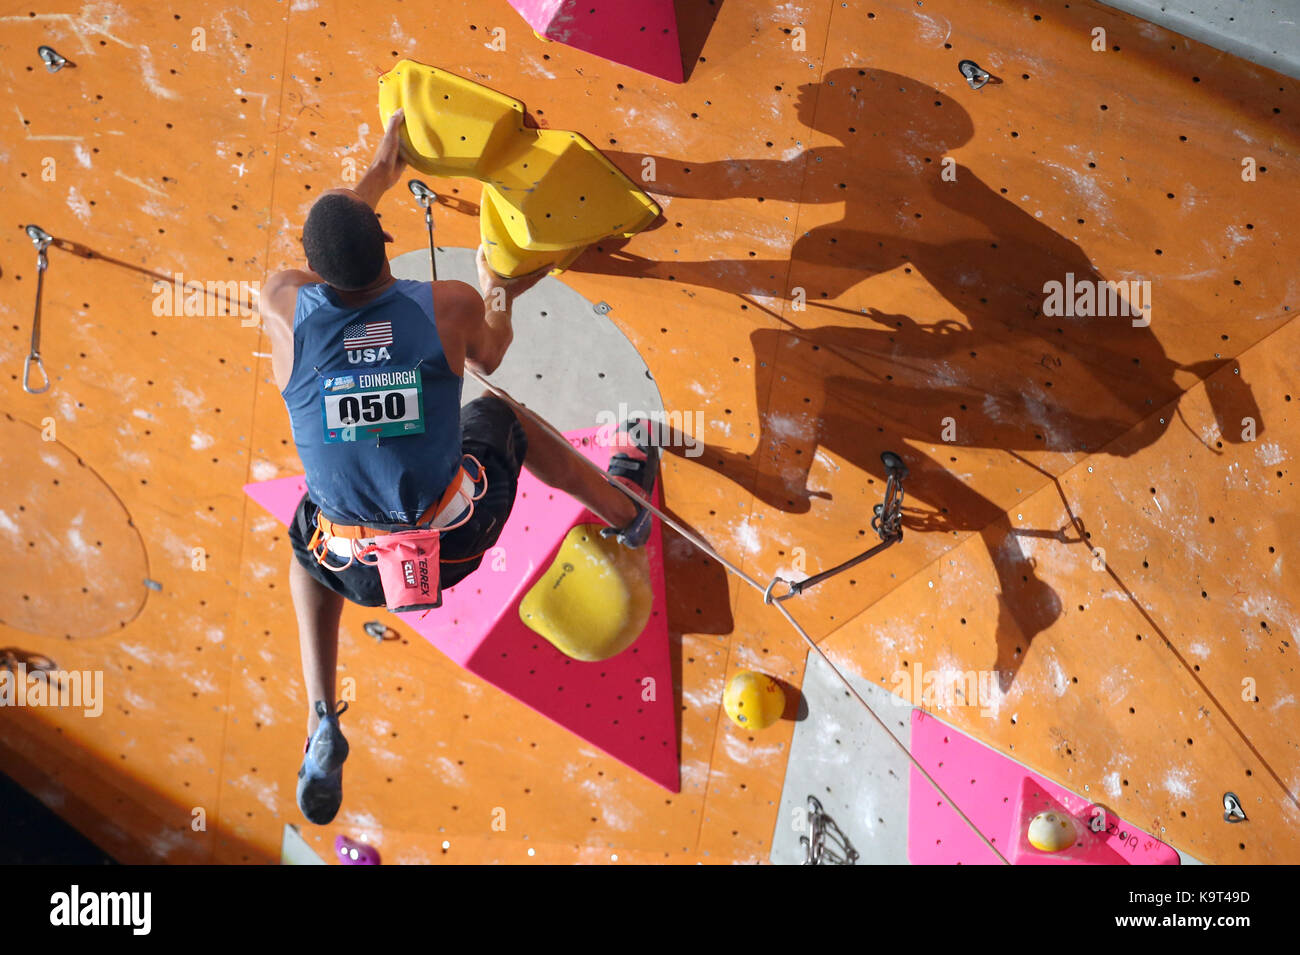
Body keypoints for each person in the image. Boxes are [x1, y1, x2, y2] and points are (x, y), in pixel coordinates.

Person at [259, 109, 659, 824]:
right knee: (507, 422)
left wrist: (369, 193)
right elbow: (491, 355)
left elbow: (310, 269)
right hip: (452, 537)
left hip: (350, 557)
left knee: (304, 545)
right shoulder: (446, 305)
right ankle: (628, 510)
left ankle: (322, 716)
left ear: (316, 274)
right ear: (386, 245)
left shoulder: (286, 307)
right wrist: (496, 279)